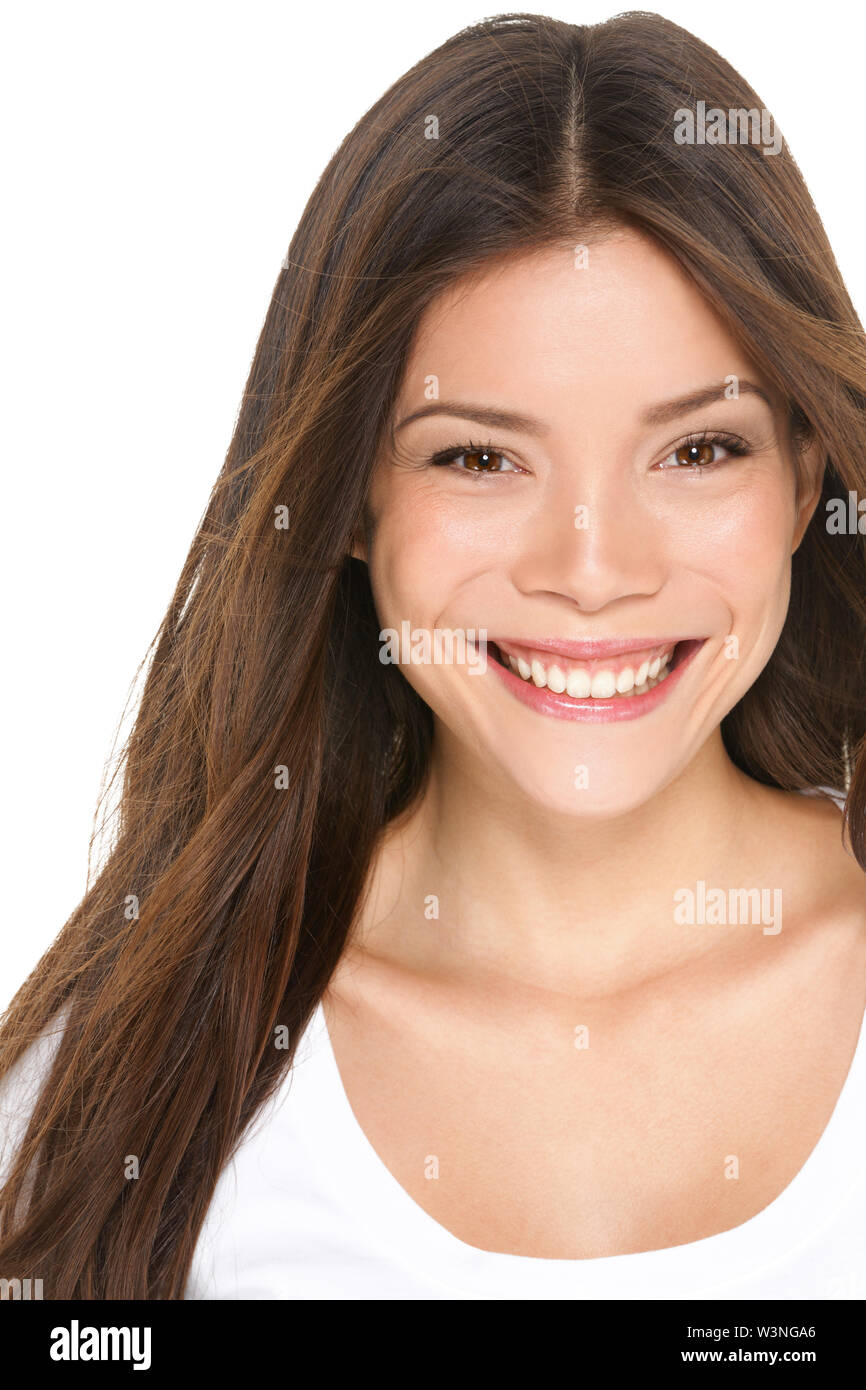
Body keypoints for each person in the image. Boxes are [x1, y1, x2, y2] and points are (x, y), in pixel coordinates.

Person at [2, 11, 865, 1300]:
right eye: (478, 457)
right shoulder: (115, 1097)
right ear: (351, 503)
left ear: (805, 481)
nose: (591, 567)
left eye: (698, 450)